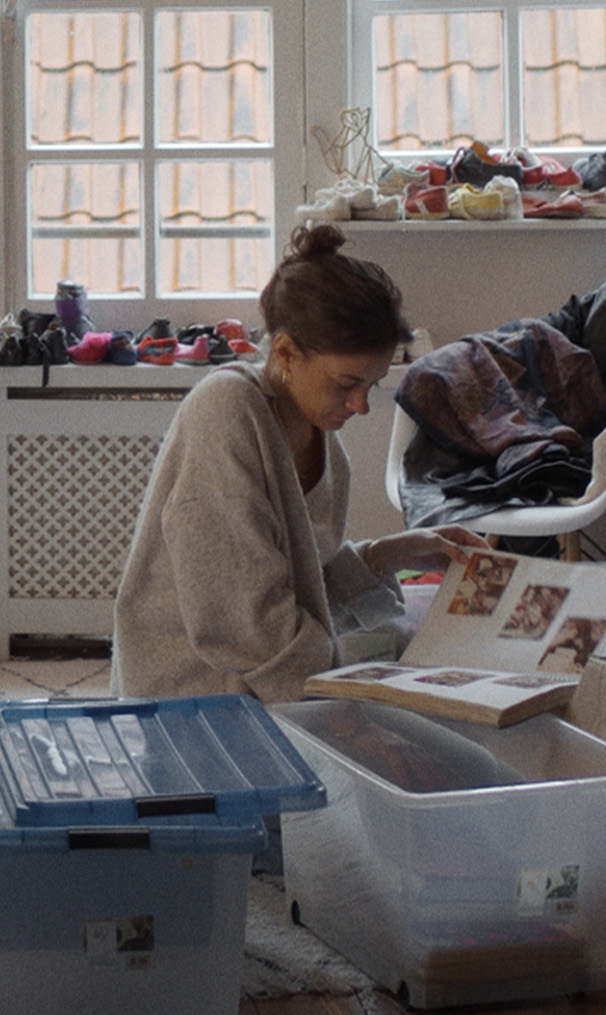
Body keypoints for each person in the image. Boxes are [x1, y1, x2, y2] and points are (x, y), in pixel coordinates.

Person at [111, 222, 487, 703]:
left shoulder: (323, 440)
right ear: (286, 353)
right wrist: (348, 708)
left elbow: (292, 586)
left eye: (370, 386)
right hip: (193, 702)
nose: (361, 406)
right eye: (347, 384)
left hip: (263, 688)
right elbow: (243, 623)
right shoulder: (225, 409)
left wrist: (387, 554)